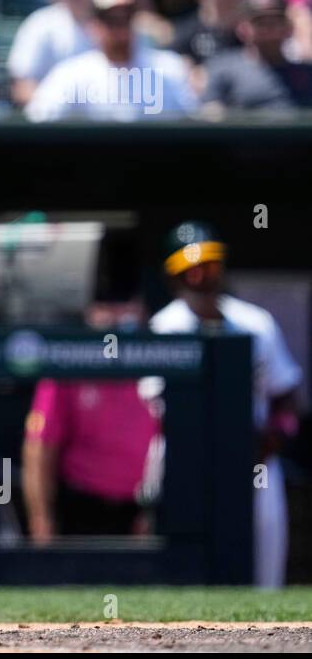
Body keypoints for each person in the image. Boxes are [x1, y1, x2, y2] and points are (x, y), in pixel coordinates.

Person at [150, 222, 303, 588]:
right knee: (182, 570)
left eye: (210, 266)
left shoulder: (255, 323)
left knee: (265, 571)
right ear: (175, 276)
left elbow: (286, 396)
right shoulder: (163, 327)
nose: (202, 277)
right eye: (192, 269)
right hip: (186, 461)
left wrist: (272, 439)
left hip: (254, 461)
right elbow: (154, 408)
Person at [26, 0, 198, 120]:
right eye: (111, 19)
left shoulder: (169, 68)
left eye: (126, 17)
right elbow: (39, 120)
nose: (120, 28)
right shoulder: (71, 75)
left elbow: (195, 124)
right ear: (94, 24)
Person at [22, 378, 160, 540]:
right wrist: (41, 520)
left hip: (138, 513)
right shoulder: (64, 371)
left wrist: (152, 513)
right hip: (80, 511)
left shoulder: (153, 368)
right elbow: (39, 451)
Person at [7, 0, 96, 106]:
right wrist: (57, 110)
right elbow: (22, 86)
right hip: (51, 125)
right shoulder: (40, 25)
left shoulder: (111, 26)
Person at [201, 0, 312, 111]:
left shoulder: (307, 74)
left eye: (276, 22)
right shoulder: (224, 69)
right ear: (243, 29)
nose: (270, 30)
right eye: (261, 23)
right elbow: (210, 115)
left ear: (288, 28)